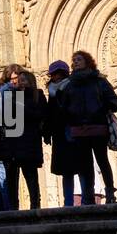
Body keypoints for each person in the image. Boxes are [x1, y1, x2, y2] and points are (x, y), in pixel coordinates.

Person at [52, 50, 117, 206]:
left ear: (87, 61)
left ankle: (110, 192)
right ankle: (88, 196)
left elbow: (113, 101)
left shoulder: (99, 81)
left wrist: (100, 109)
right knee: (85, 165)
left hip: (98, 127)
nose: (76, 62)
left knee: (102, 160)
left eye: (79, 59)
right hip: (79, 130)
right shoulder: (70, 84)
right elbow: (63, 106)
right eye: (74, 60)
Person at [1, 70, 47, 210]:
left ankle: (35, 205)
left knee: (30, 175)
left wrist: (21, 108)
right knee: (11, 178)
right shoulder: (10, 96)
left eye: (23, 80)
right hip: (12, 142)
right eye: (18, 80)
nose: (19, 82)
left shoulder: (37, 95)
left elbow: (41, 115)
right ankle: (13, 208)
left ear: (30, 81)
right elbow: (5, 119)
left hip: (29, 141)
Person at [43, 60, 79, 206]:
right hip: (59, 134)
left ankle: (87, 197)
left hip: (74, 131)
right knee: (66, 171)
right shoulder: (52, 91)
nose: (55, 77)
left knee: (82, 167)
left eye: (57, 73)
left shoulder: (72, 86)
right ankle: (68, 201)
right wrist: (47, 132)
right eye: (52, 74)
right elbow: (49, 113)